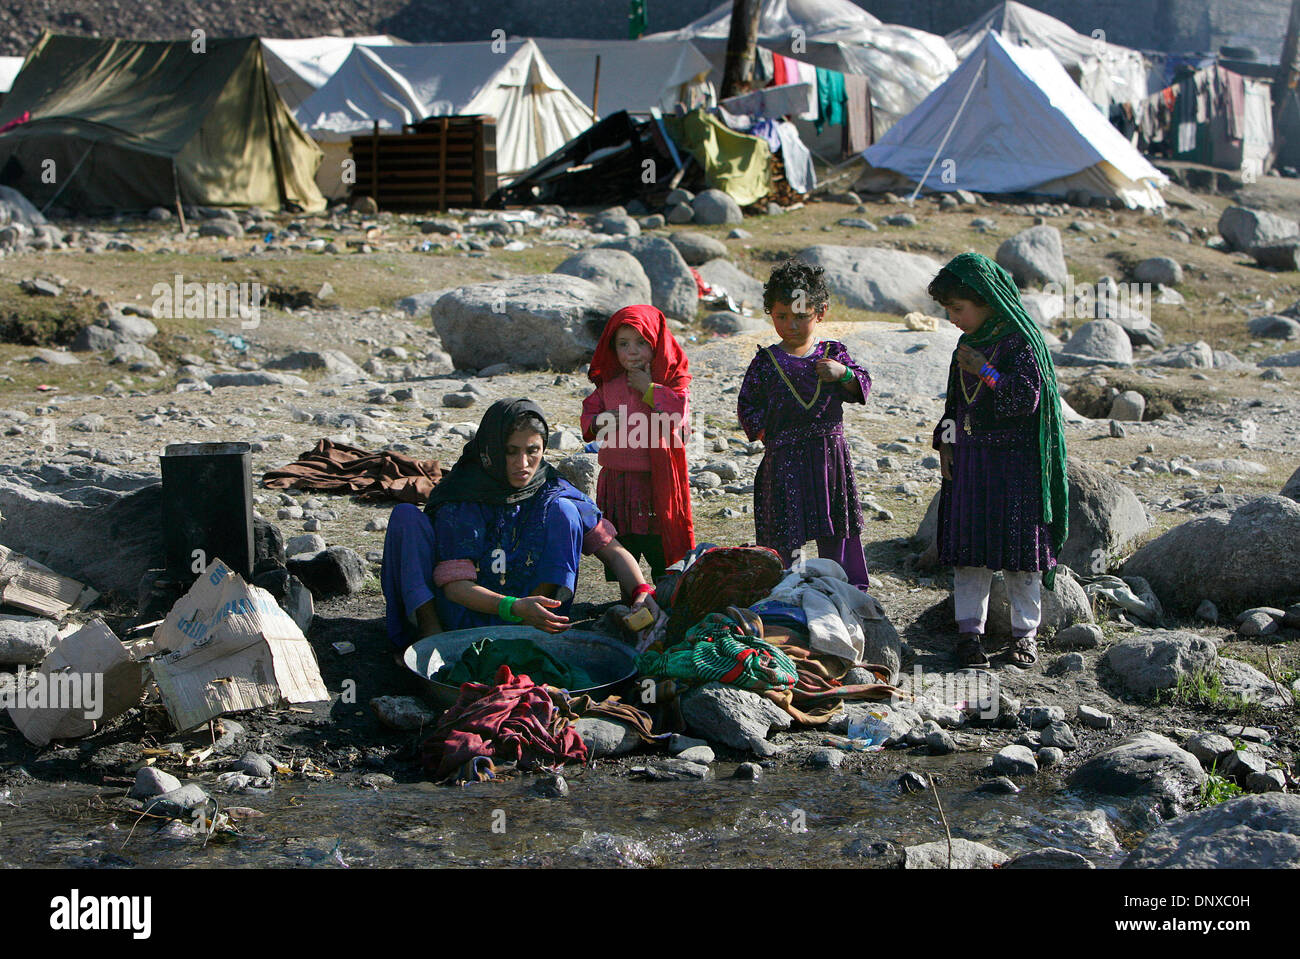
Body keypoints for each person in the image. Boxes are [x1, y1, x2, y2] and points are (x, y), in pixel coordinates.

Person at [380, 398, 658, 658]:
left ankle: (530, 633)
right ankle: (431, 637)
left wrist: (641, 592)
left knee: (566, 511)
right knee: (406, 516)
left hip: (536, 616)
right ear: (490, 450)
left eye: (532, 451)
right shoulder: (464, 494)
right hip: (464, 616)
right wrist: (510, 606)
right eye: (510, 451)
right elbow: (455, 588)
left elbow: (611, 549)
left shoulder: (550, 486)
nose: (522, 464)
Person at [927, 252, 1069, 669]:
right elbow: (955, 403)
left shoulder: (1022, 342)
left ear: (986, 300)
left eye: (958, 309)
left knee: (1021, 555)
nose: (953, 318)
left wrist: (985, 369)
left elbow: (1024, 400)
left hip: (1015, 467)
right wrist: (947, 443)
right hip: (971, 463)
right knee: (970, 552)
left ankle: (1025, 637)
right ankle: (969, 634)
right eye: (949, 310)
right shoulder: (966, 343)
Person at [736, 259, 872, 588]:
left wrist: (845, 374)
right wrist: (768, 433)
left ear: (820, 312)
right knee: (786, 530)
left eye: (801, 316)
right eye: (782, 316)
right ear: (770, 313)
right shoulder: (765, 362)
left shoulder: (833, 352)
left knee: (835, 525)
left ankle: (843, 586)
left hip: (829, 458)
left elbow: (862, 384)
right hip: (783, 461)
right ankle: (788, 586)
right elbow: (747, 405)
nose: (791, 325)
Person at [580, 305, 694, 586]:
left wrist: (648, 388)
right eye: (623, 344)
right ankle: (630, 597)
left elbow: (678, 415)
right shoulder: (609, 384)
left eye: (641, 342)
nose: (631, 351)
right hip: (617, 481)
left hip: (656, 482)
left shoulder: (671, 381)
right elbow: (588, 419)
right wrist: (600, 421)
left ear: (657, 342)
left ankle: (666, 597)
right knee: (623, 544)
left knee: (661, 550)